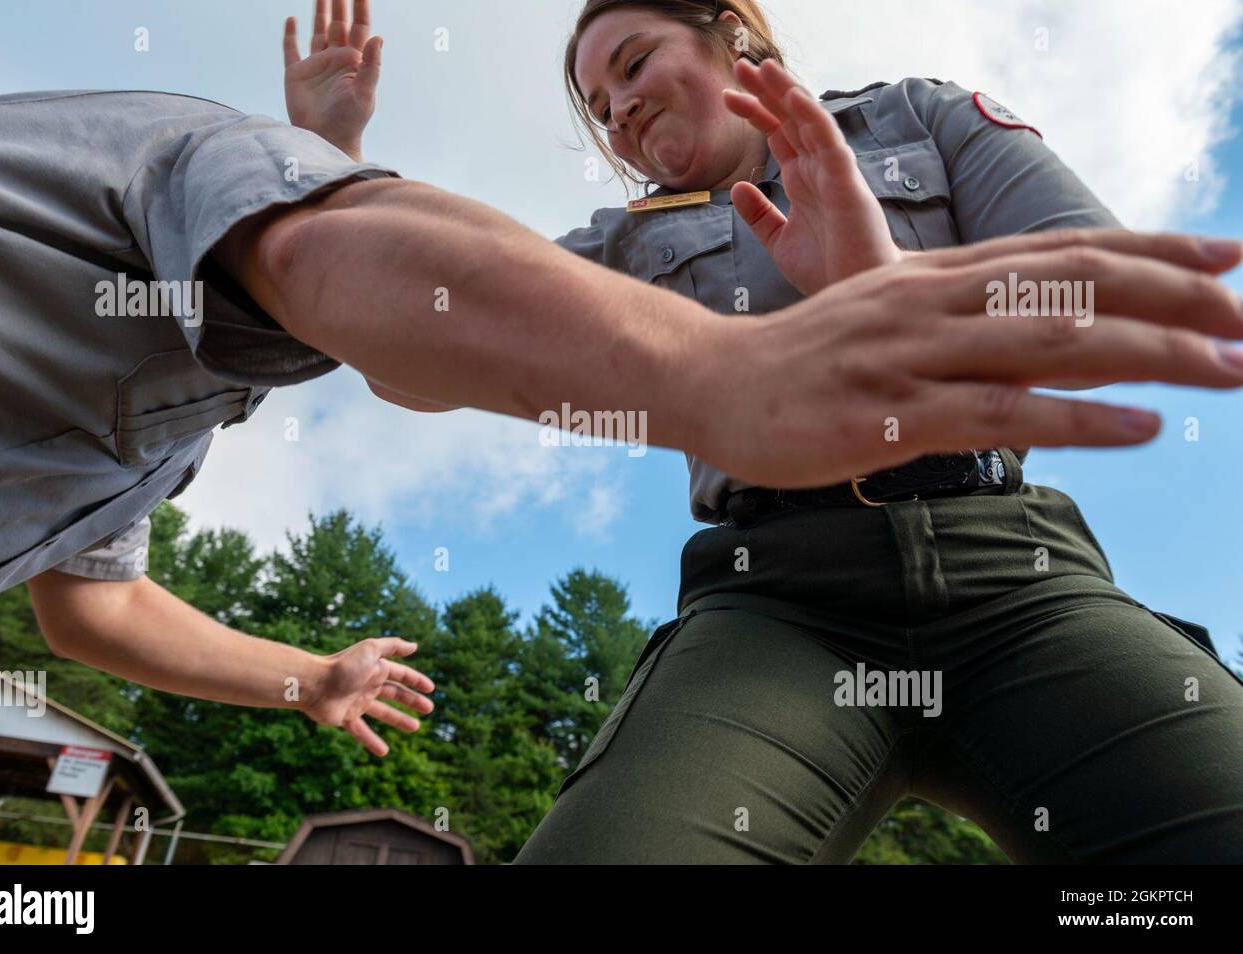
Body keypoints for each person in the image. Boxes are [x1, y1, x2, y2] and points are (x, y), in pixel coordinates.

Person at [280, 0, 1243, 862]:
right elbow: (411, 364)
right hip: (779, 604)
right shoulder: (615, 246)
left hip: (1017, 578)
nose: (616, 112)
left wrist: (894, 292)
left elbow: (1111, 305)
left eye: (632, 63)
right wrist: (327, 165)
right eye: (597, 107)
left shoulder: (921, 117)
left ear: (730, 32)